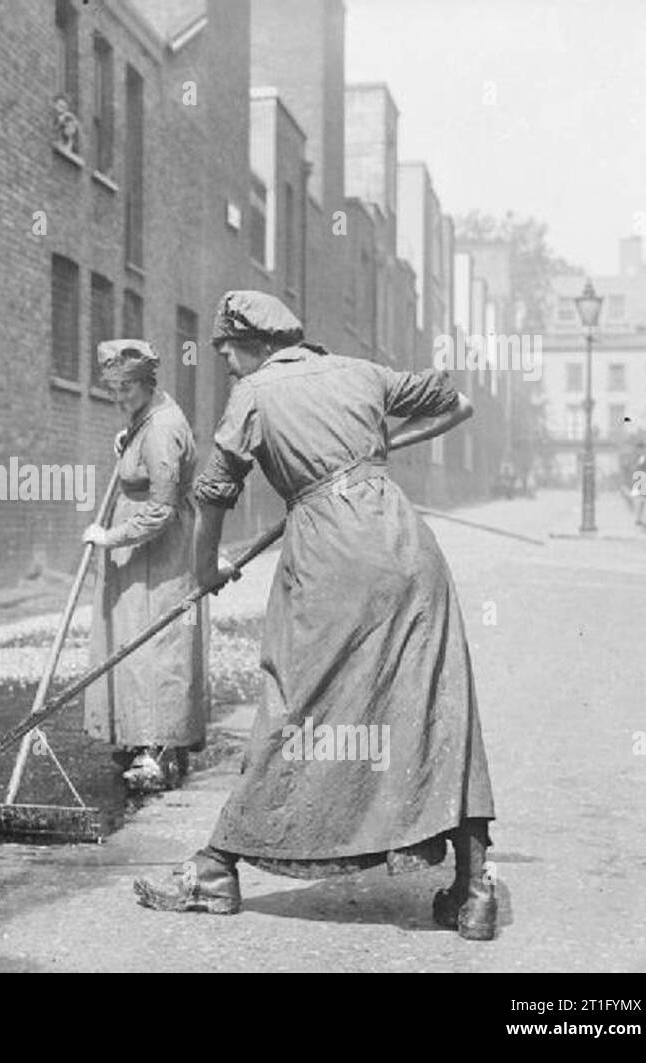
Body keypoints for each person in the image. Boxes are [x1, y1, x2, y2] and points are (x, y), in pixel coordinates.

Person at [133, 291, 498, 941]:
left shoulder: (257, 392)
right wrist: (364, 457)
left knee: (295, 703)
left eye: (227, 349)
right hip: (408, 550)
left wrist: (207, 571)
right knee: (435, 703)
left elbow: (213, 491)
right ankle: (474, 889)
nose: (225, 360)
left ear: (255, 344)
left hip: (333, 558)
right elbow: (458, 402)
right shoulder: (359, 371)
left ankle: (215, 867)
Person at [81, 339, 208, 792]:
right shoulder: (148, 419)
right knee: (133, 643)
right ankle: (137, 736)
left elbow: (161, 510)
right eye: (112, 390)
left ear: (147, 383)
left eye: (126, 391)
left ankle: (158, 750)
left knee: (158, 645)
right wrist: (129, 435)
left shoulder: (161, 428)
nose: (118, 399)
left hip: (158, 551)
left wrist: (108, 537)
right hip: (140, 556)